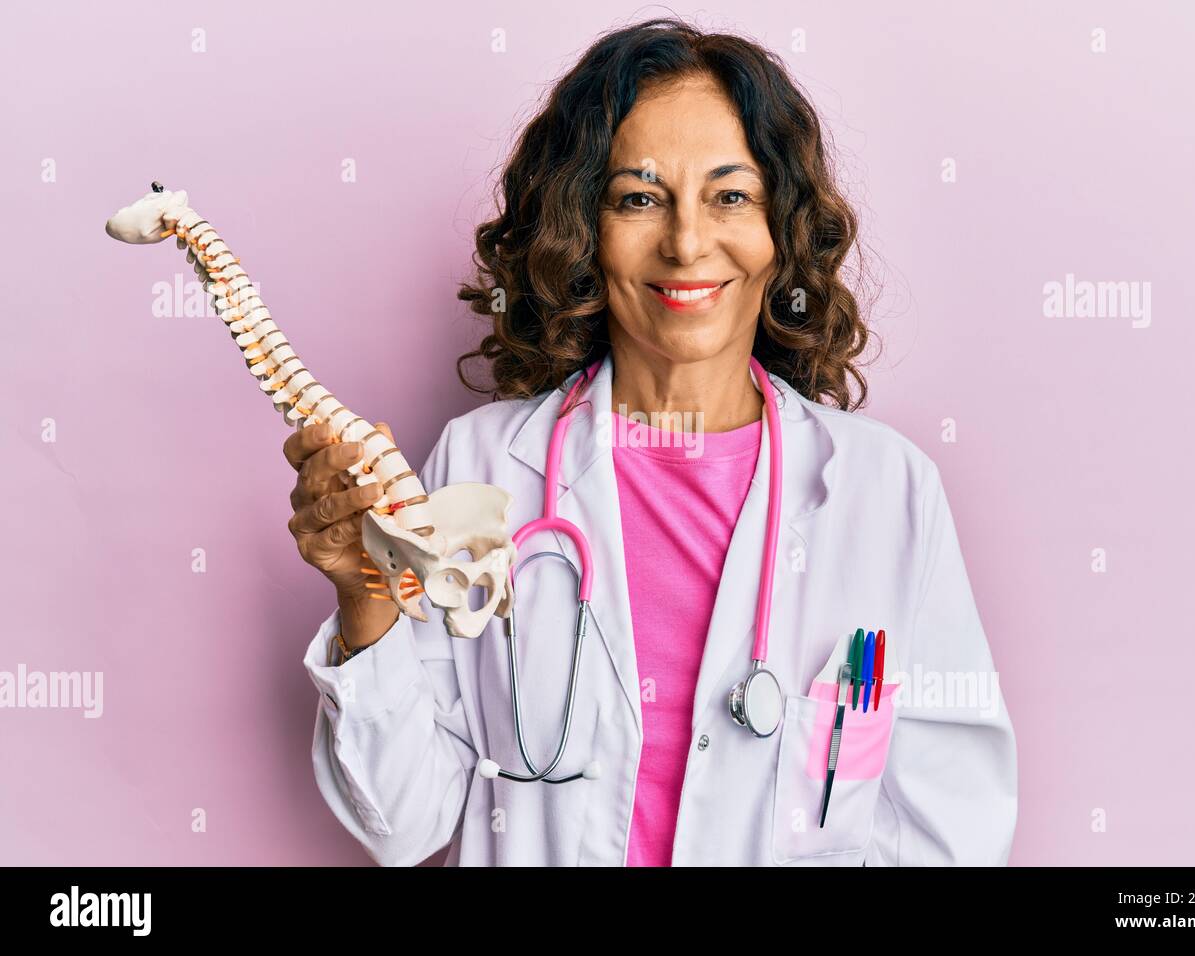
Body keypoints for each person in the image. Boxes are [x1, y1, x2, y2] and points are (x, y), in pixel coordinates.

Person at [283, 18, 1017, 866]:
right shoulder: (481, 469)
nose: (686, 242)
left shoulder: (885, 492)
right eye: (639, 197)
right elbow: (405, 825)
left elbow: (949, 832)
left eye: (730, 195)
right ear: (583, 230)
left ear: (781, 230)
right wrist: (366, 600)